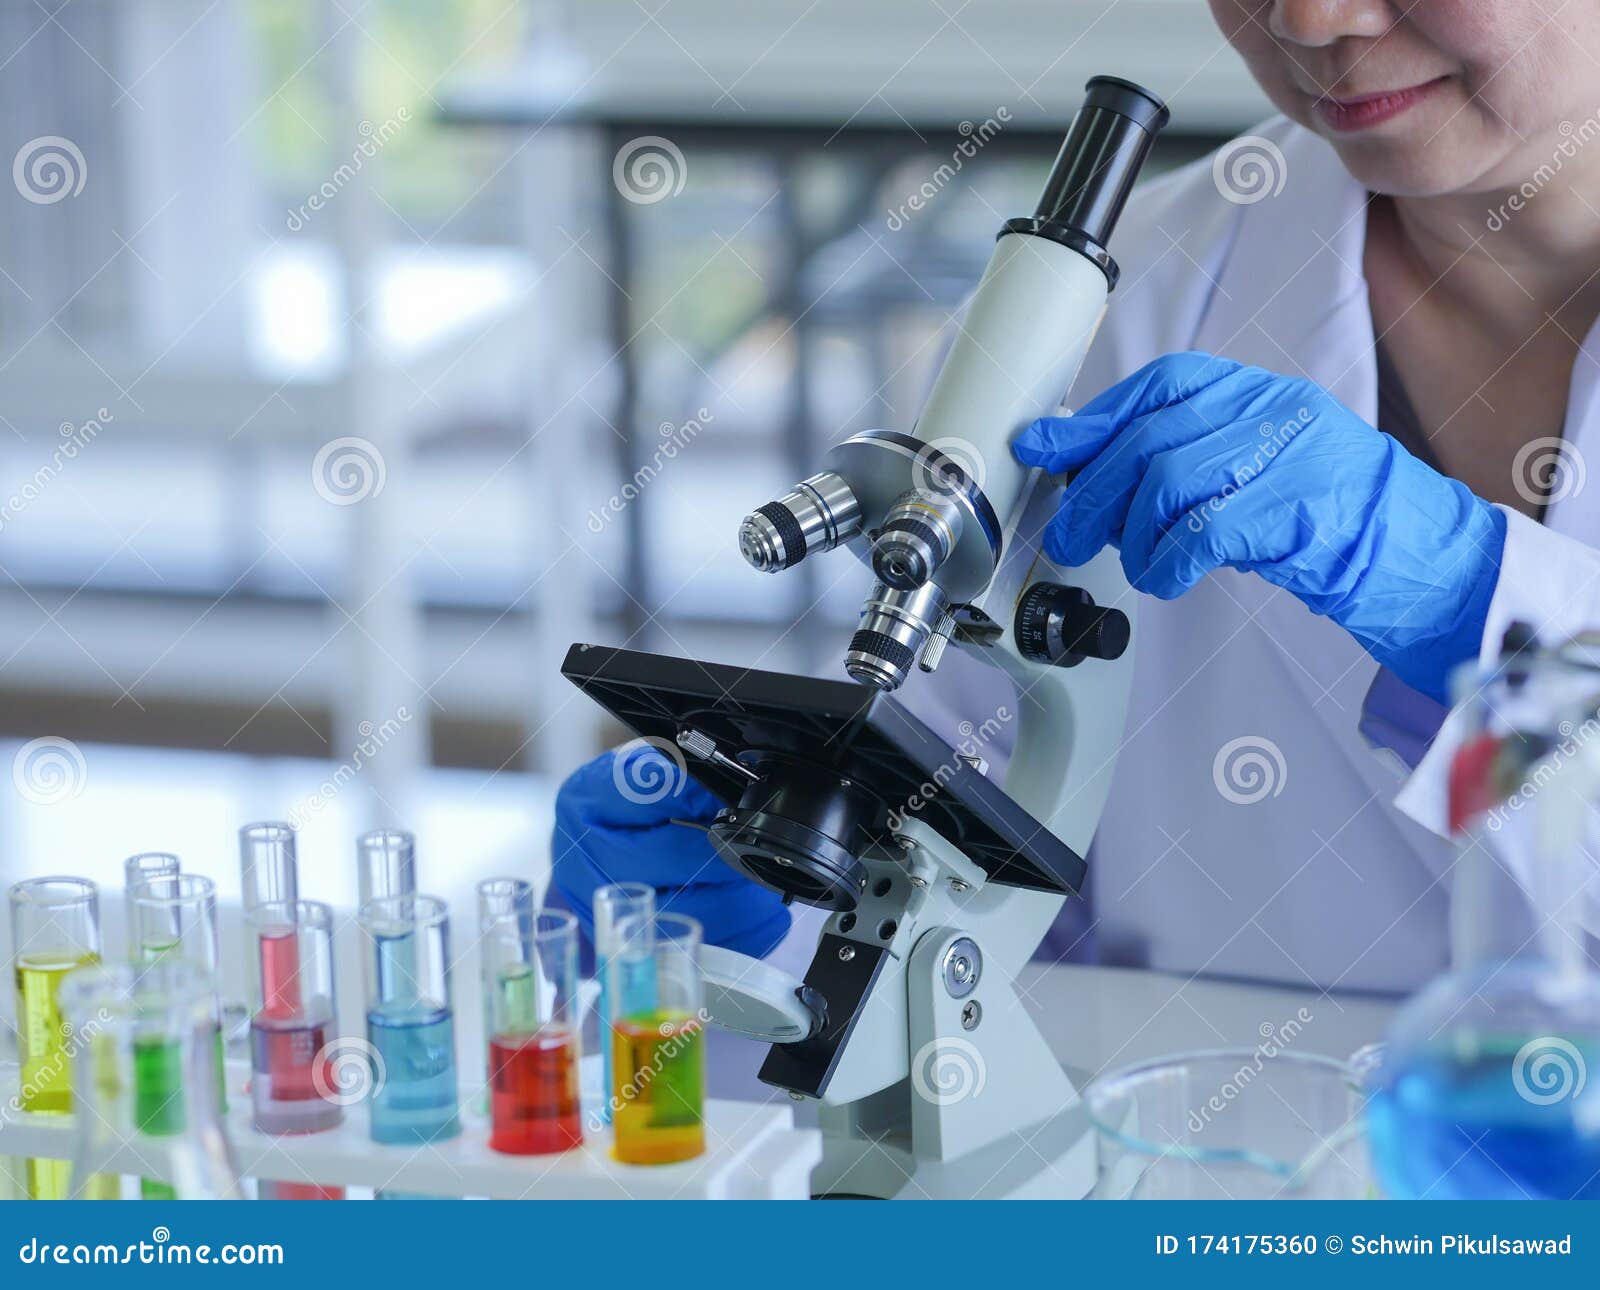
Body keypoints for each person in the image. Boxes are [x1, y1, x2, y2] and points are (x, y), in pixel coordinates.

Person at [554, 0, 1600, 996]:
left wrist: (1478, 601)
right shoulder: (1121, 299)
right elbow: (985, 848)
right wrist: (763, 910)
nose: (1309, 21)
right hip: (1213, 1148)